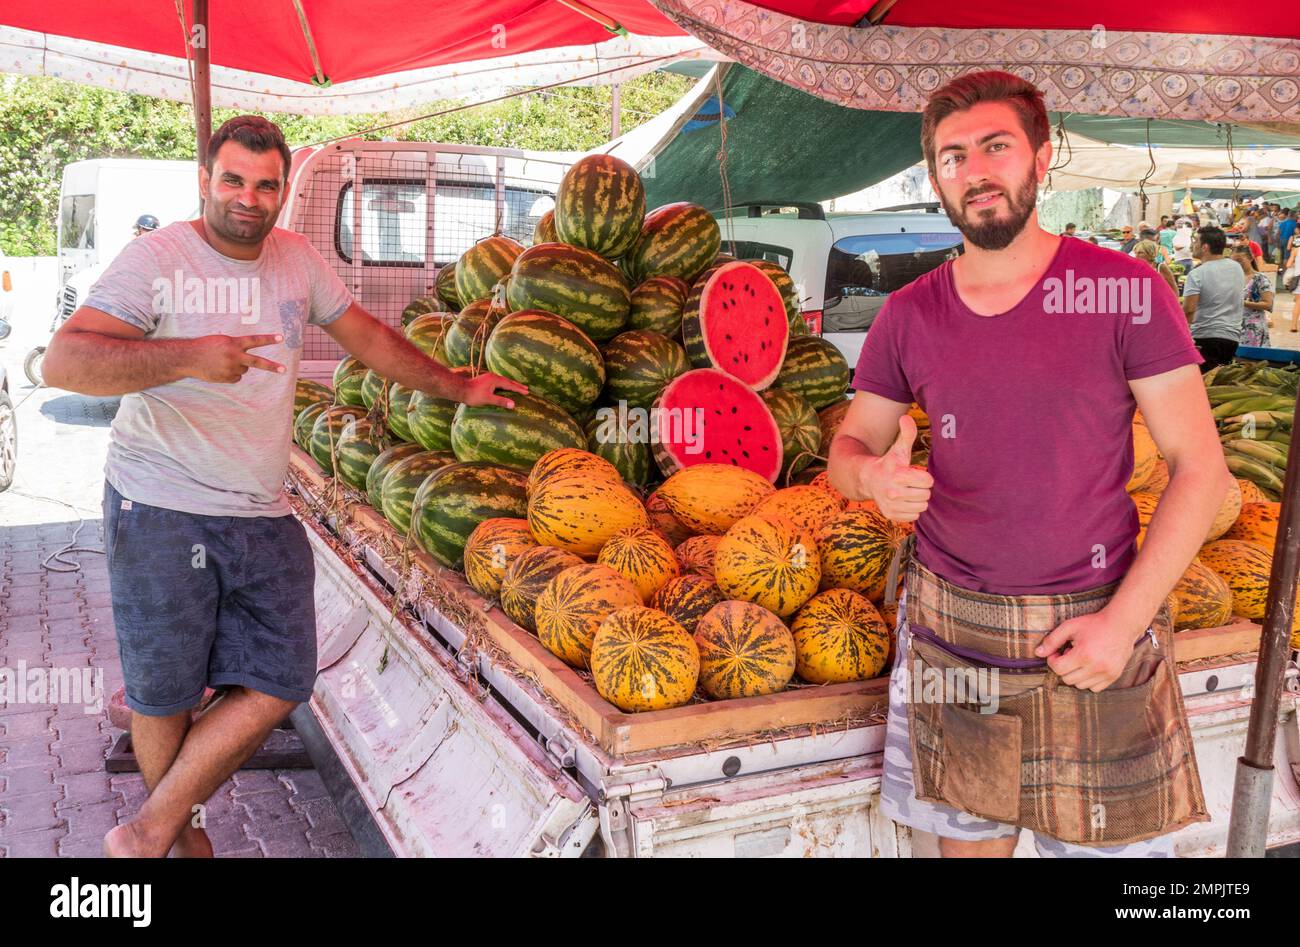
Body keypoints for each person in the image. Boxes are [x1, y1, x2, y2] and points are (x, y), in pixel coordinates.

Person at [40, 115, 528, 859]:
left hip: (262, 511)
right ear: (206, 180)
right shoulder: (158, 258)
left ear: (283, 190)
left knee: (283, 676)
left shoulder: (297, 258)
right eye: (232, 179)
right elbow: (66, 364)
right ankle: (178, 842)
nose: (248, 198)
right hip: (161, 507)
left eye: (266, 185)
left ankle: (150, 827)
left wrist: (457, 385)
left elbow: (365, 334)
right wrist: (189, 358)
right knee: (165, 693)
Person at [828, 70, 1218, 858]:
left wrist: (1124, 623)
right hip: (953, 635)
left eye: (995, 147)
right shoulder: (908, 315)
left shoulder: (1124, 292)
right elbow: (848, 445)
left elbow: (1201, 470)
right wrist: (871, 478)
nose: (974, 171)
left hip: (1096, 632)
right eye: (952, 156)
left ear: (1042, 157)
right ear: (937, 178)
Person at [1181, 226, 1246, 370]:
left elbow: (1189, 309)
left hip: (1205, 337)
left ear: (1205, 247)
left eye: (1195, 241)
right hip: (1232, 338)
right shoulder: (1236, 267)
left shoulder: (1197, 273)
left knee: (1203, 385)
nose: (1193, 245)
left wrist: (1181, 337)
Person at [1232, 245, 1274, 347]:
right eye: (1234, 261)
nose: (1237, 264)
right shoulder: (1232, 278)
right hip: (1234, 328)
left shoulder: (1260, 279)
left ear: (1250, 258)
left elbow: (1268, 304)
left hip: (1253, 329)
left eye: (1240, 260)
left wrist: (1244, 303)